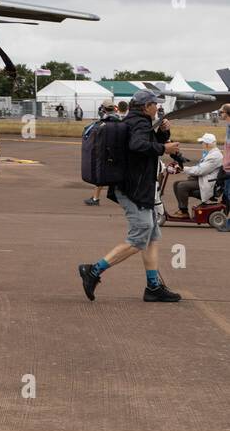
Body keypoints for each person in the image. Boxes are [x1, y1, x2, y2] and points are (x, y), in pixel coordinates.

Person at [78, 91, 182, 303]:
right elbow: (138, 146)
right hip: (133, 189)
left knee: (151, 236)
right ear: (146, 106)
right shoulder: (141, 123)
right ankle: (93, 271)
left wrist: (162, 133)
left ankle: (153, 287)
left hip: (137, 188)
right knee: (140, 236)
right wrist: (164, 147)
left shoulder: (137, 121)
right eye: (155, 105)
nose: (158, 108)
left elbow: (142, 146)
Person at [172, 133, 223, 214]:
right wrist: (184, 168)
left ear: (207, 144)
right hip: (203, 179)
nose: (201, 144)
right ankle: (181, 209)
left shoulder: (215, 156)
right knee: (176, 184)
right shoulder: (210, 153)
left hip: (209, 183)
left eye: (202, 142)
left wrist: (183, 169)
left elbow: (200, 170)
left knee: (181, 186)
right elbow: (199, 167)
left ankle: (184, 212)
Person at [83, 101, 121, 206]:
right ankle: (96, 197)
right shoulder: (119, 120)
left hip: (106, 153)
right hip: (118, 152)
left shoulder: (102, 123)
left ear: (103, 109)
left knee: (101, 176)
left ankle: (95, 199)